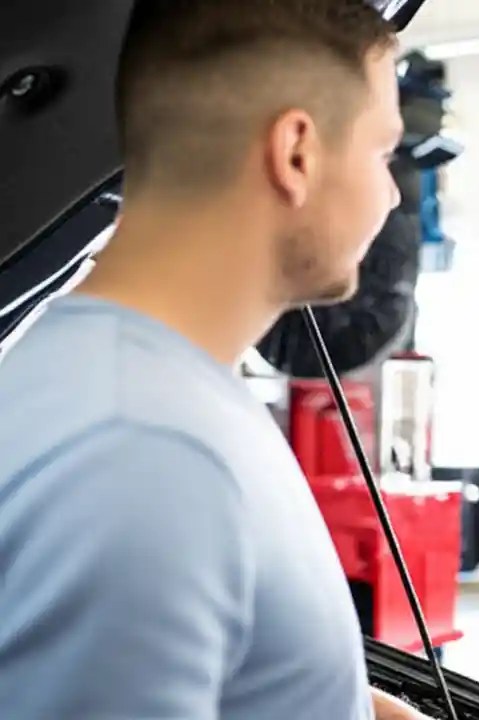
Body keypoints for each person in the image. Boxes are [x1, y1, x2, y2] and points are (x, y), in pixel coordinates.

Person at [0, 1, 427, 718]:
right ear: (297, 152)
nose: (389, 195)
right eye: (382, 153)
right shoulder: (143, 454)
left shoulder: (134, 386)